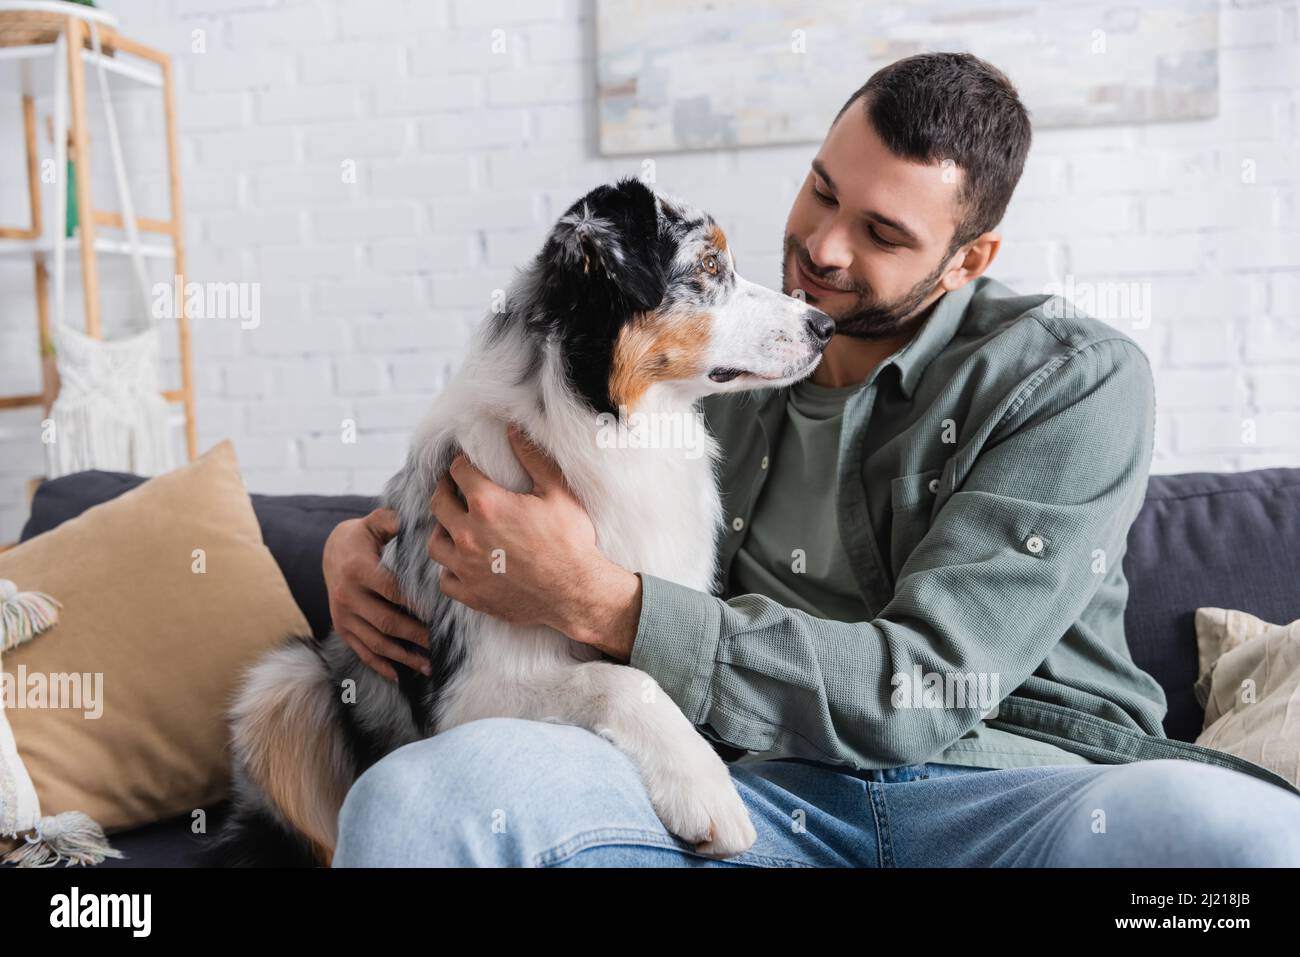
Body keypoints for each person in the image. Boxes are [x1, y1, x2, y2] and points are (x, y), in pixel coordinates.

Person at [325, 52, 1300, 867]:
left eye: (880, 233)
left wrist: (605, 604)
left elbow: (919, 690)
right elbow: (515, 470)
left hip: (1016, 796)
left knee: (1244, 837)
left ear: (967, 258)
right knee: (414, 804)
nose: (822, 249)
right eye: (821, 190)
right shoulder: (717, 367)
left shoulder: (1071, 382)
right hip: (757, 799)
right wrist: (362, 550)